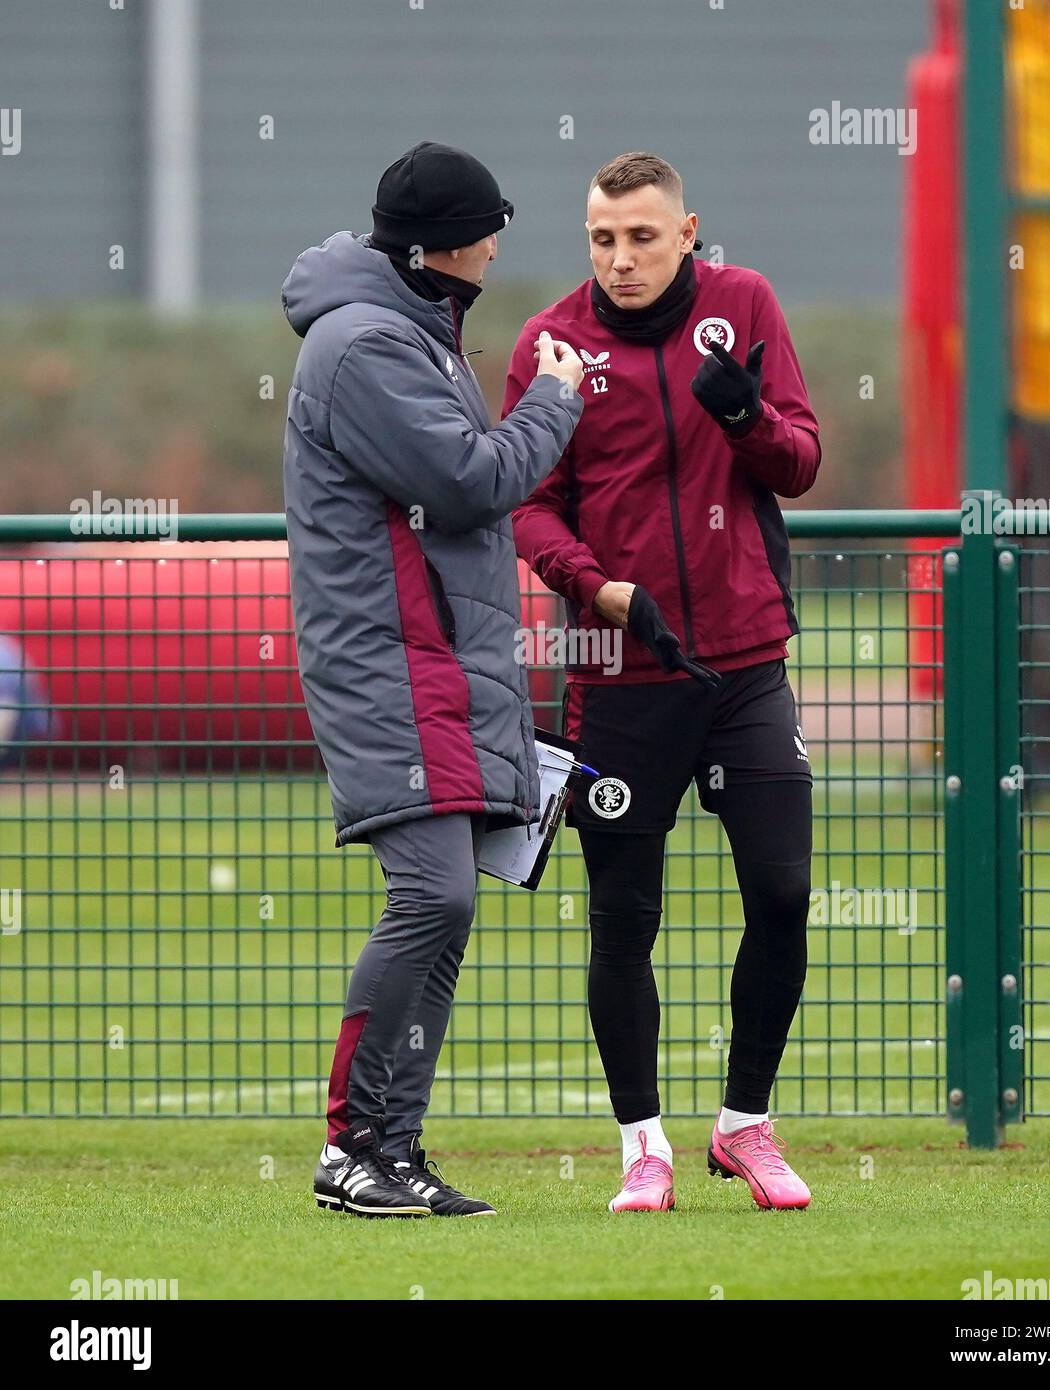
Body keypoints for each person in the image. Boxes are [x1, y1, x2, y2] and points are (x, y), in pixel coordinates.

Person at [503, 152, 820, 1213]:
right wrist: (597, 590)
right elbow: (529, 503)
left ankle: (744, 1125)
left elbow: (799, 462)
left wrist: (746, 418)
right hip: (619, 674)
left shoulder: (746, 306)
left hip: (743, 663)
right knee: (622, 916)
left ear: (689, 232)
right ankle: (644, 1145)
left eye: (642, 236)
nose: (621, 258)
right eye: (602, 238)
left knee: (779, 891)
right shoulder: (551, 345)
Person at [282, 141, 584, 1218]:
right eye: (485, 227)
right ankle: (349, 1147)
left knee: (450, 907)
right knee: (432, 893)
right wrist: (556, 399)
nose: (497, 244)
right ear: (437, 247)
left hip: (435, 668)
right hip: (388, 667)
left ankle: (393, 1149)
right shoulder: (365, 345)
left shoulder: (410, 330)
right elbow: (469, 481)